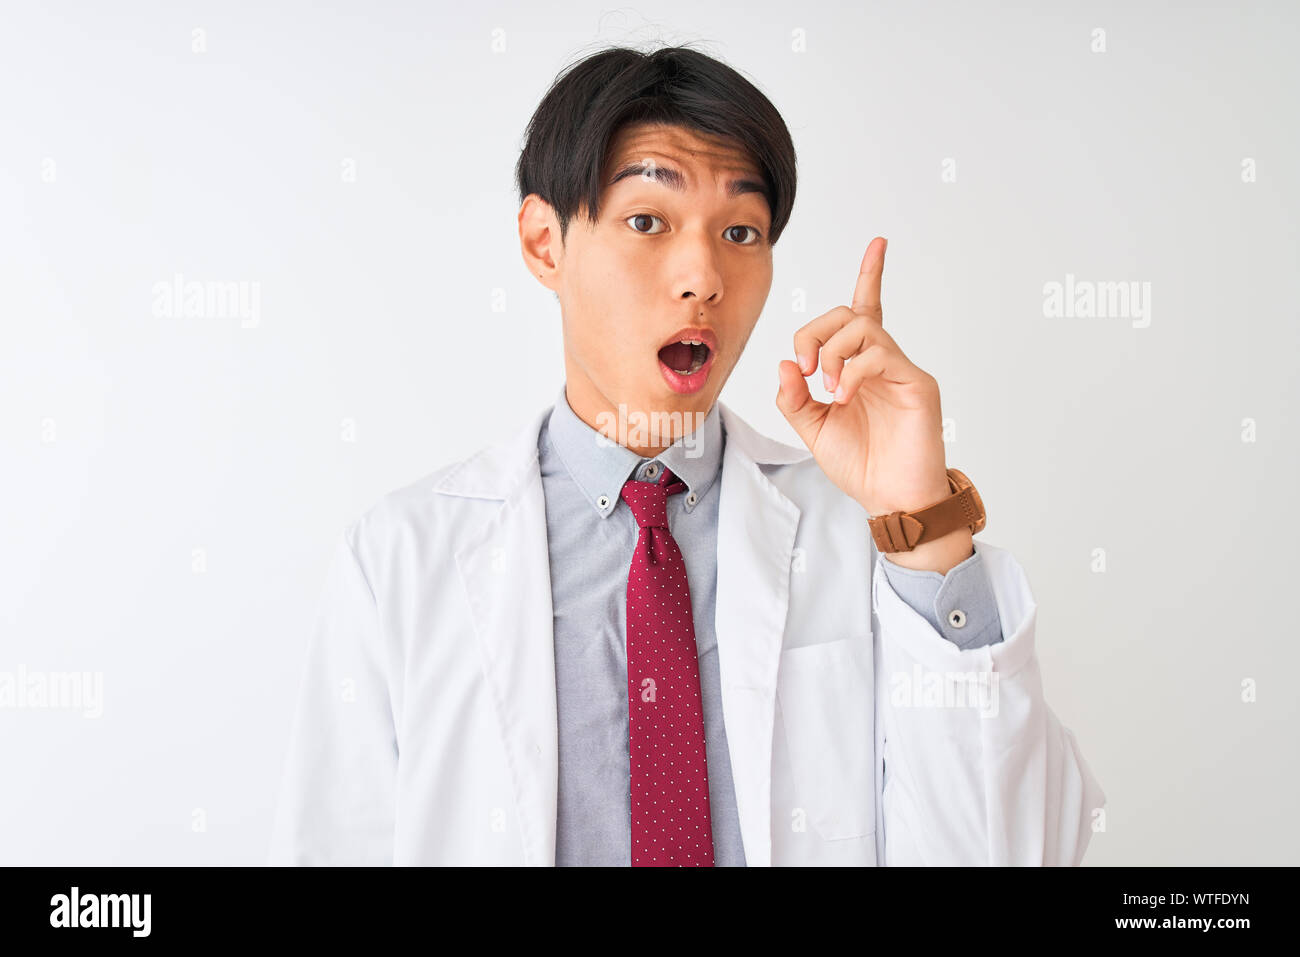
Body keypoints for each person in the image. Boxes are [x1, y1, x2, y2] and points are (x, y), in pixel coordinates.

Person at [268, 43, 1105, 866]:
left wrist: (924, 524)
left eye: (742, 229)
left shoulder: (871, 534)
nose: (704, 274)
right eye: (646, 221)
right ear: (543, 243)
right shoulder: (402, 558)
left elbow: (1013, 851)